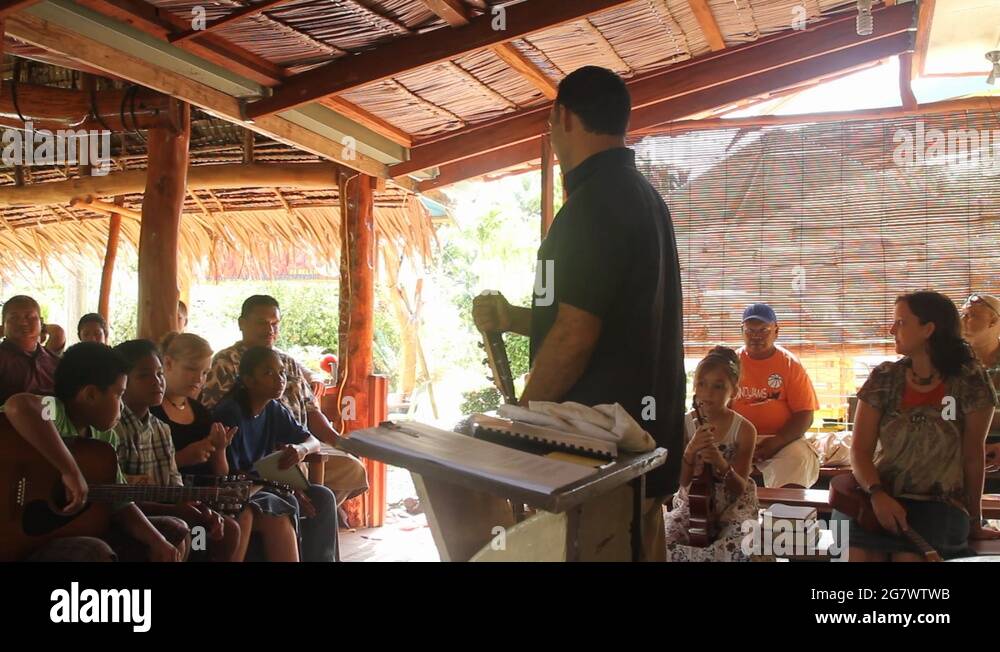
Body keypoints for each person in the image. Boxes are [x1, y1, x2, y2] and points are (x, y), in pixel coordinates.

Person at [471, 66, 686, 561]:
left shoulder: (595, 205)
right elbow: (600, 318)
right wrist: (514, 318)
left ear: (562, 116)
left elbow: (575, 336)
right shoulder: (644, 199)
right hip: (639, 447)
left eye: (549, 122)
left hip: (596, 459)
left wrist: (521, 420)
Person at [834, 291, 1000, 561]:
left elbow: (972, 456)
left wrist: (974, 520)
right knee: (855, 556)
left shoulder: (970, 380)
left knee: (909, 558)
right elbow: (860, 452)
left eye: (900, 322)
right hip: (875, 497)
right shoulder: (885, 378)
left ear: (928, 329)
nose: (891, 330)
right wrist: (877, 495)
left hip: (939, 505)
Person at [4, 342, 187, 561]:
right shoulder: (57, 411)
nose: (121, 406)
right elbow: (20, 405)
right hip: (11, 531)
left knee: (173, 530)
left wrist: (159, 542)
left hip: (57, 533)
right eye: (119, 395)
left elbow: (120, 501)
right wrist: (70, 471)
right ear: (90, 395)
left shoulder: (105, 439)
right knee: (94, 551)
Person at [201, 295, 367, 509]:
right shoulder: (227, 362)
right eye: (262, 323)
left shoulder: (286, 361)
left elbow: (311, 410)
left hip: (298, 444)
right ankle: (300, 517)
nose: (269, 329)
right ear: (242, 324)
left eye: (275, 324)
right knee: (301, 481)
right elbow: (213, 416)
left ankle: (311, 519)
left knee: (353, 469)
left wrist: (337, 441)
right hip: (256, 459)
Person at [114, 339, 247, 562]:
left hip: (169, 507)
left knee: (222, 531)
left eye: (158, 374)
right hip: (133, 515)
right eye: (144, 376)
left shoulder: (161, 428)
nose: (156, 382)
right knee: (180, 528)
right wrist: (179, 509)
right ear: (121, 381)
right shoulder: (113, 428)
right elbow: (118, 497)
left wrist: (199, 508)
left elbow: (175, 485)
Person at [213, 346, 339, 562]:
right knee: (284, 503)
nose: (279, 379)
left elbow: (312, 440)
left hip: (269, 485)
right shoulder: (231, 413)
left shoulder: (273, 408)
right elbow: (230, 476)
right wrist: (285, 487)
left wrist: (301, 450)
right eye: (268, 373)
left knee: (322, 497)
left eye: (281, 372)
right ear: (248, 380)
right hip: (241, 490)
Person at [664, 347, 758, 561]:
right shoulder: (685, 424)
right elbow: (682, 481)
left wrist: (719, 462)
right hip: (692, 503)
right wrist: (690, 451)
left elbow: (739, 487)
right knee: (660, 544)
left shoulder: (744, 430)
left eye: (718, 386)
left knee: (740, 549)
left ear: (734, 391)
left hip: (733, 505)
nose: (707, 393)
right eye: (702, 384)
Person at [730, 303, 820, 488]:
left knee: (798, 459)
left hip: (782, 439)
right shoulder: (730, 363)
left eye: (763, 330)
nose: (756, 336)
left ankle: (784, 514)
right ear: (741, 332)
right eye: (750, 331)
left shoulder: (790, 365)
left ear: (776, 331)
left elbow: (805, 415)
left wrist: (777, 441)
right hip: (736, 439)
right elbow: (715, 407)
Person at [150, 333, 231, 479]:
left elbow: (221, 474)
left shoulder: (201, 413)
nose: (199, 379)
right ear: (168, 363)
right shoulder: (150, 410)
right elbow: (138, 473)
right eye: (191, 369)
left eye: (205, 372)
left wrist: (219, 450)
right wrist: (181, 458)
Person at [960, 292, 1000, 470]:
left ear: (993, 322)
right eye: (962, 314)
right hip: (961, 450)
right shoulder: (953, 364)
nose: (963, 321)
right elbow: (946, 412)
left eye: (972, 315)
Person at [0, 295, 60, 403]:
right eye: (14, 318)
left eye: (30, 317)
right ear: (3, 326)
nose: (23, 323)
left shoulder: (54, 361)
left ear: (41, 322)